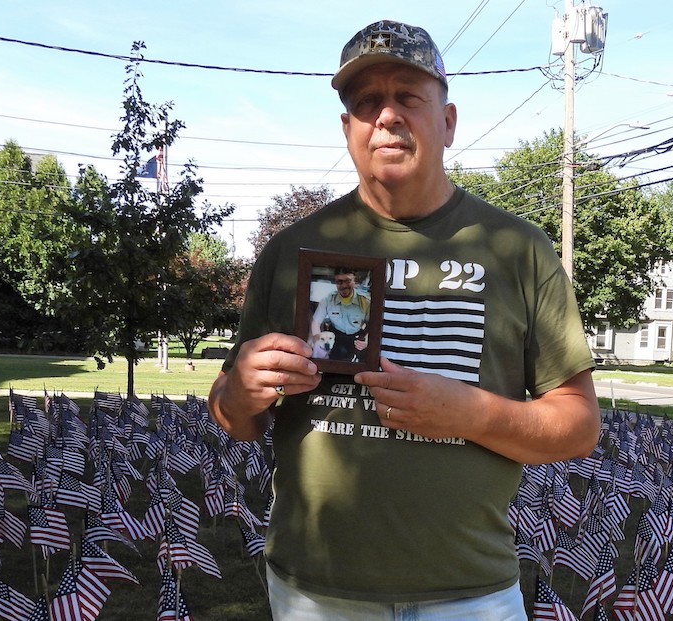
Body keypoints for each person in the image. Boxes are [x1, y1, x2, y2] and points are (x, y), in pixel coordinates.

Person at [207, 19, 600, 620]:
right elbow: (235, 417)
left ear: (448, 122)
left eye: (408, 97)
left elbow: (578, 426)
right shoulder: (289, 251)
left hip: (471, 595)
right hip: (315, 593)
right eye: (366, 102)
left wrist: (470, 413)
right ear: (348, 129)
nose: (387, 115)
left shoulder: (519, 249)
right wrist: (239, 392)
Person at [309, 267, 370, 361]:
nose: (344, 285)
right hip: (335, 337)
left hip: (356, 338)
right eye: (339, 282)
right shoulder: (328, 300)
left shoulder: (365, 301)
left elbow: (372, 325)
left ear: (354, 281)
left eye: (348, 281)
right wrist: (318, 343)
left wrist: (366, 340)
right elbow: (316, 322)